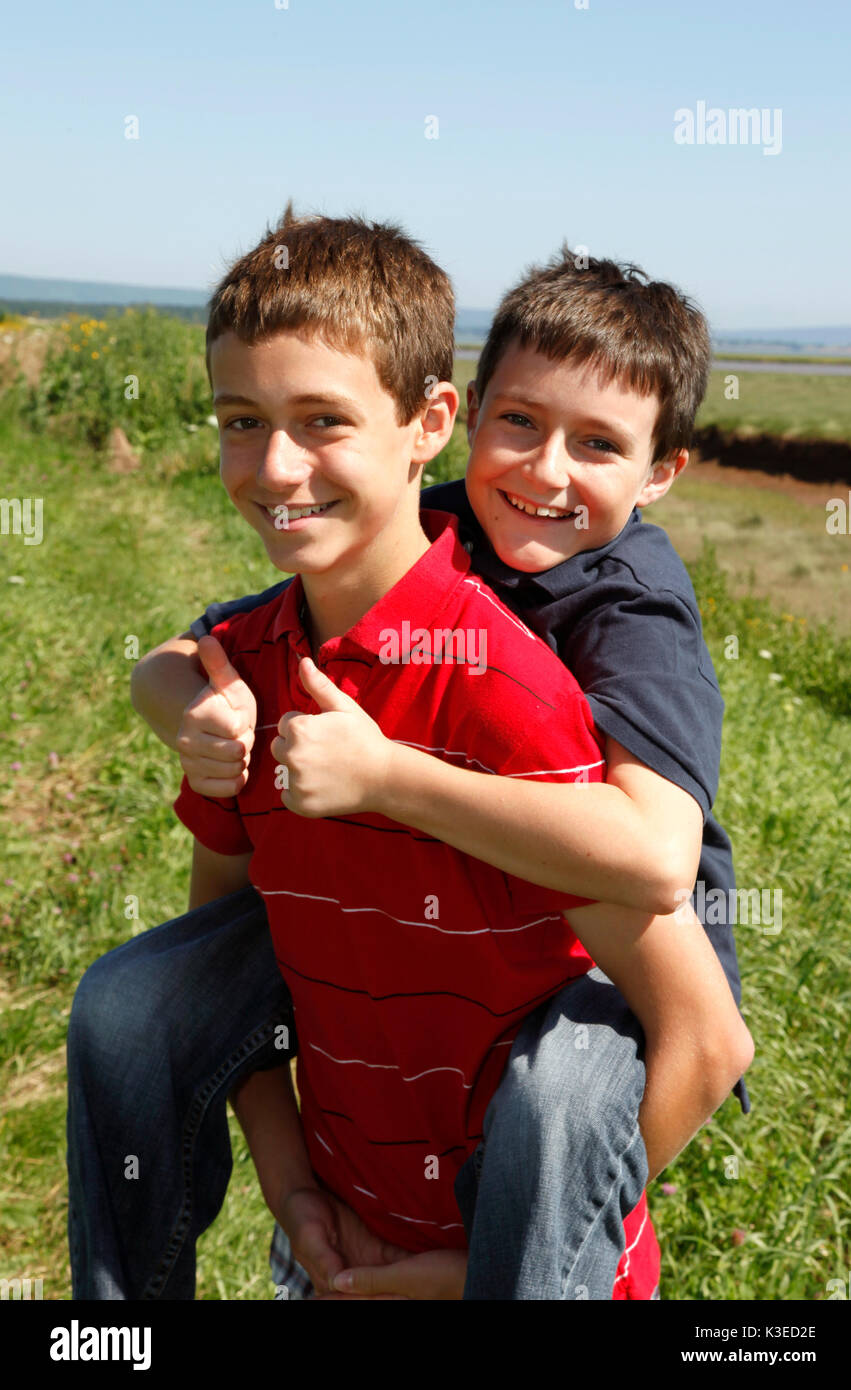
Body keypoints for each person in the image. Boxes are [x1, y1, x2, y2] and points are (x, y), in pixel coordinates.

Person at [67, 210, 752, 1301]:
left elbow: (678, 943)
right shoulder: (265, 659)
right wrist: (293, 1190)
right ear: (463, 422)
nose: (280, 468)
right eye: (241, 419)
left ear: (419, 422)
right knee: (132, 1000)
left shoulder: (580, 649)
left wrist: (387, 777)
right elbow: (226, 973)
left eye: (324, 420)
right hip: (336, 1236)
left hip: (522, 1250)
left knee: (566, 1088)